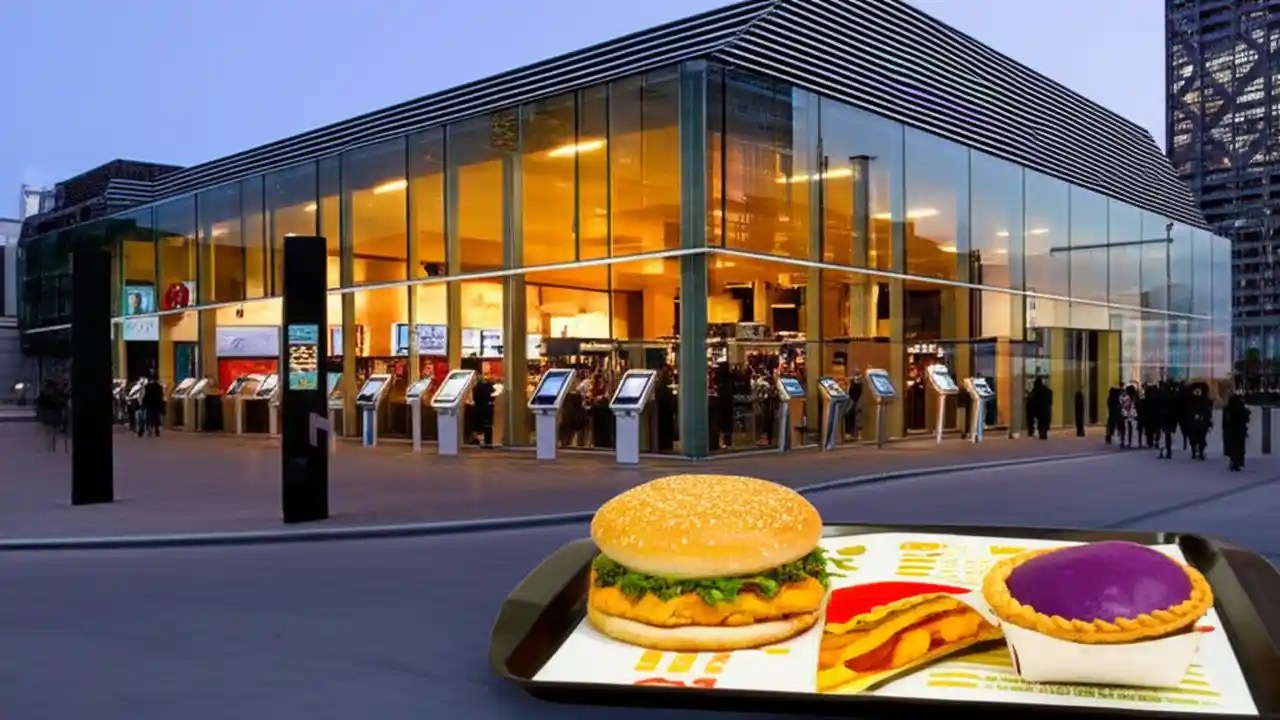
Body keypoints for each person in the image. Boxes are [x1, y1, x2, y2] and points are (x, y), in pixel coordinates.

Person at [1223, 394, 1251, 472]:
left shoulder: (1229, 408)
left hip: (1232, 430)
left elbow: (1227, 421)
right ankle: (1238, 462)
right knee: (1239, 447)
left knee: (1233, 446)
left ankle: (1233, 462)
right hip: (1240, 430)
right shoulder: (1241, 408)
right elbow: (1245, 418)